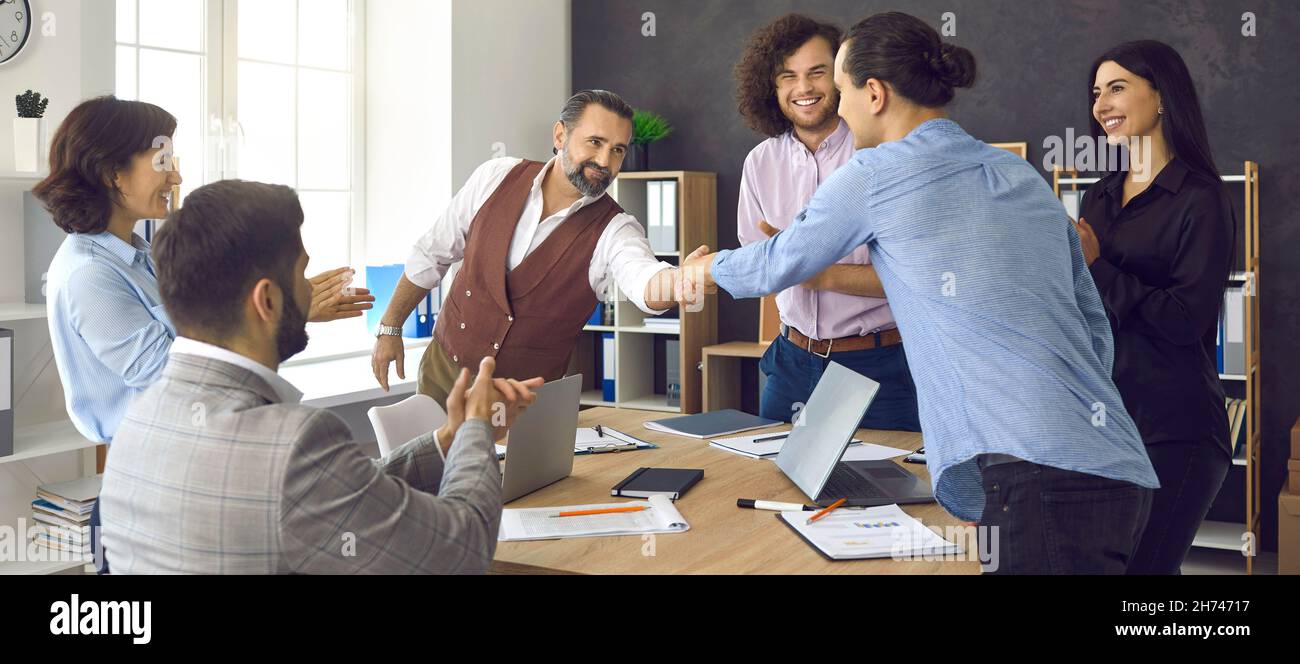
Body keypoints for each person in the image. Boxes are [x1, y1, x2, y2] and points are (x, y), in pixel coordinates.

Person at [684, 12, 1159, 574]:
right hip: (1113, 467)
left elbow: (776, 260)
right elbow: (1090, 322)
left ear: (875, 94)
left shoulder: (874, 173)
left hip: (1035, 473)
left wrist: (687, 274)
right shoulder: (1014, 172)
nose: (835, 103)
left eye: (839, 88)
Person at [99, 180, 538, 574]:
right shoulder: (294, 442)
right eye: (302, 277)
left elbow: (338, 491)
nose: (311, 292)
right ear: (266, 301)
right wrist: (477, 431)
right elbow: (461, 551)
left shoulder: (137, 420)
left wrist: (448, 439)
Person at [33, 96, 374, 569]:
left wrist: (279, 307)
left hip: (192, 474)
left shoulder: (142, 247)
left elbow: (205, 333)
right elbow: (182, 380)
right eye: (162, 161)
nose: (175, 175)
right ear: (112, 173)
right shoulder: (89, 274)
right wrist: (284, 312)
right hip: (150, 493)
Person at [371, 90, 706, 408]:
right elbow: (432, 253)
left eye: (618, 149)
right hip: (443, 375)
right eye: (595, 142)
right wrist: (390, 327)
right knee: (427, 469)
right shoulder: (495, 176)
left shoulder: (616, 230)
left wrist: (678, 282)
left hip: (523, 404)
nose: (605, 160)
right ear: (560, 136)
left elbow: (643, 279)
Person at [1076, 40, 1234, 574]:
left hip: (1175, 429)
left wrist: (1097, 268)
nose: (1101, 106)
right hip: (1106, 422)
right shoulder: (1097, 197)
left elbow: (1187, 321)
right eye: (1097, 93)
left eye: (1117, 88)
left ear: (1161, 96)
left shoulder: (1202, 199)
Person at [734, 13, 918, 431]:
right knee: (768, 483)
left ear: (840, 77)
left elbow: (914, 277)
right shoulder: (760, 163)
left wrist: (813, 270)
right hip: (791, 362)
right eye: (788, 76)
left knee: (888, 488)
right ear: (771, 85)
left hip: (879, 365)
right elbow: (758, 265)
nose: (803, 88)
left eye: (817, 72)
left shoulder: (882, 155)